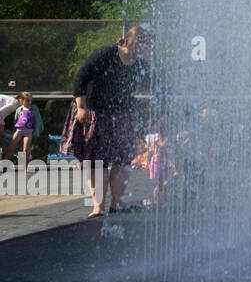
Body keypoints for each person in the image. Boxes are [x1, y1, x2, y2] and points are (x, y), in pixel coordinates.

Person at [62, 26, 152, 217]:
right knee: (97, 161)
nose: (148, 50)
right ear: (134, 42)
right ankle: (98, 206)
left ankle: (118, 202)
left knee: (122, 159)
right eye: (147, 45)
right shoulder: (106, 54)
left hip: (122, 115)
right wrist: (82, 107)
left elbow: (157, 83)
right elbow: (81, 78)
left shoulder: (140, 65)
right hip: (95, 113)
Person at [3, 92, 40, 162]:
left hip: (28, 132)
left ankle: (26, 167)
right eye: (27, 101)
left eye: (31, 100)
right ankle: (4, 163)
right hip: (19, 131)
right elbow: (16, 119)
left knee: (26, 149)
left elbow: (37, 120)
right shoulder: (19, 109)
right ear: (22, 101)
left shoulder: (33, 109)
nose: (29, 102)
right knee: (11, 147)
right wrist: (14, 130)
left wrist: (36, 131)